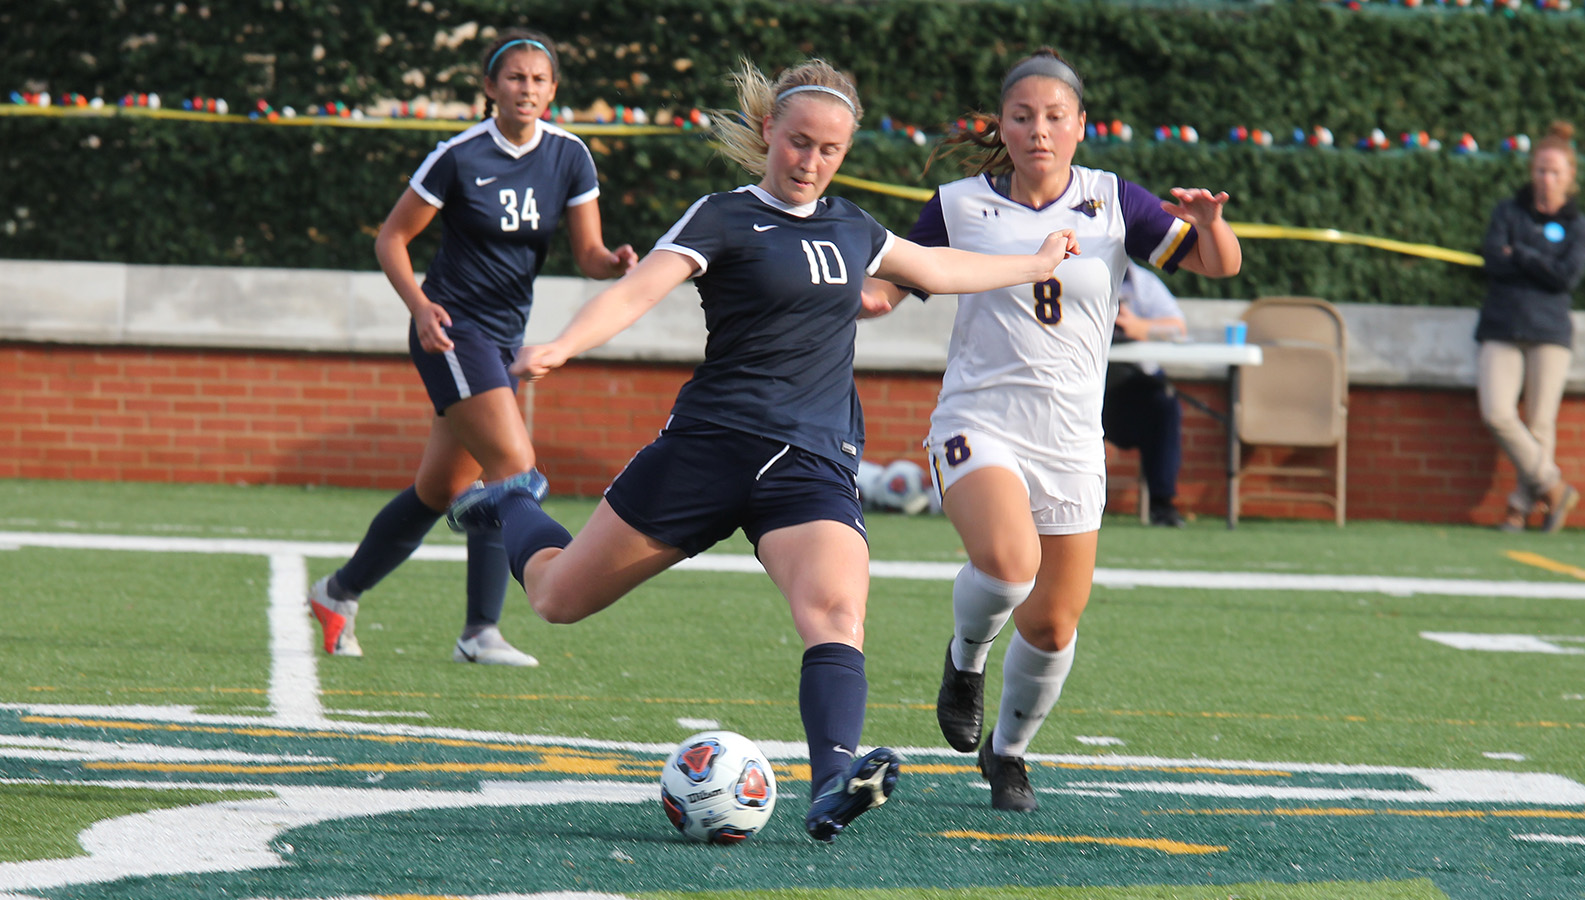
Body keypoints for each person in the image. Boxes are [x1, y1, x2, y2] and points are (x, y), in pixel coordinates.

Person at [442, 58, 1079, 842]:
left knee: (837, 613)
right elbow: (639, 288)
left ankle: (834, 780)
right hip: (708, 449)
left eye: (830, 151)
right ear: (768, 131)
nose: (810, 163)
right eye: (798, 143)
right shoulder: (721, 215)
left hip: (811, 461)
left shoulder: (854, 228)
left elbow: (940, 268)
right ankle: (513, 501)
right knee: (556, 599)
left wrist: (1038, 264)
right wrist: (563, 345)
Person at [866, 48, 1240, 812]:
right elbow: (885, 292)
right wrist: (819, 279)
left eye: (1054, 117)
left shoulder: (1113, 200)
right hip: (978, 420)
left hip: (1070, 436)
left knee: (1054, 621)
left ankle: (1008, 756)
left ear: (1079, 127)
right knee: (1007, 567)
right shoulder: (958, 205)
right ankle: (964, 659)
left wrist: (1211, 224)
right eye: (1023, 116)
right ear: (1001, 126)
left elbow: (1219, 265)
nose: (1039, 130)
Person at [305, 29, 637, 665]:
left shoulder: (570, 156)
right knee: (514, 466)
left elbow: (589, 254)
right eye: (515, 77)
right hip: (452, 330)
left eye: (540, 80)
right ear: (489, 87)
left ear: (554, 91)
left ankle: (338, 592)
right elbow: (391, 240)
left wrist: (614, 262)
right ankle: (481, 631)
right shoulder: (458, 156)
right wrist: (421, 306)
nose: (527, 89)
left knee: (440, 489)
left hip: (504, 339)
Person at [1476, 120, 1585, 535]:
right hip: (1502, 326)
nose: (1547, 179)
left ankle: (1520, 509)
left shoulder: (1578, 226)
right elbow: (1493, 260)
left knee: (1541, 423)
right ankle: (1555, 487)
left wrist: (1521, 254)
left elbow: (1565, 278)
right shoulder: (1507, 212)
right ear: (1531, 171)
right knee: (1497, 413)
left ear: (1569, 177)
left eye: (1555, 172)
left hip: (1550, 332)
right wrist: (1537, 262)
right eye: (1541, 170)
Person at [1104, 263, 1189, 527]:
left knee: (1163, 405)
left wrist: (1139, 327)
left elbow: (1178, 328)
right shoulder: (1069, 271)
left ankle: (1162, 503)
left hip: (1131, 386)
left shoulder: (1143, 283)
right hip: (1080, 381)